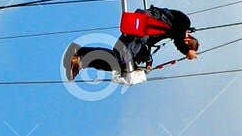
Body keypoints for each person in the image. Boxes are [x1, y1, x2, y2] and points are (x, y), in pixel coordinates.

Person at [64, 6, 199, 83]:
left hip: (141, 33)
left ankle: (80, 59)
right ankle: (80, 56)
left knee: (122, 65)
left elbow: (147, 45)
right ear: (187, 40)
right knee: (121, 60)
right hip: (142, 27)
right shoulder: (184, 23)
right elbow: (178, 37)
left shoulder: (168, 31)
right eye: (186, 44)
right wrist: (187, 51)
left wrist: (148, 60)